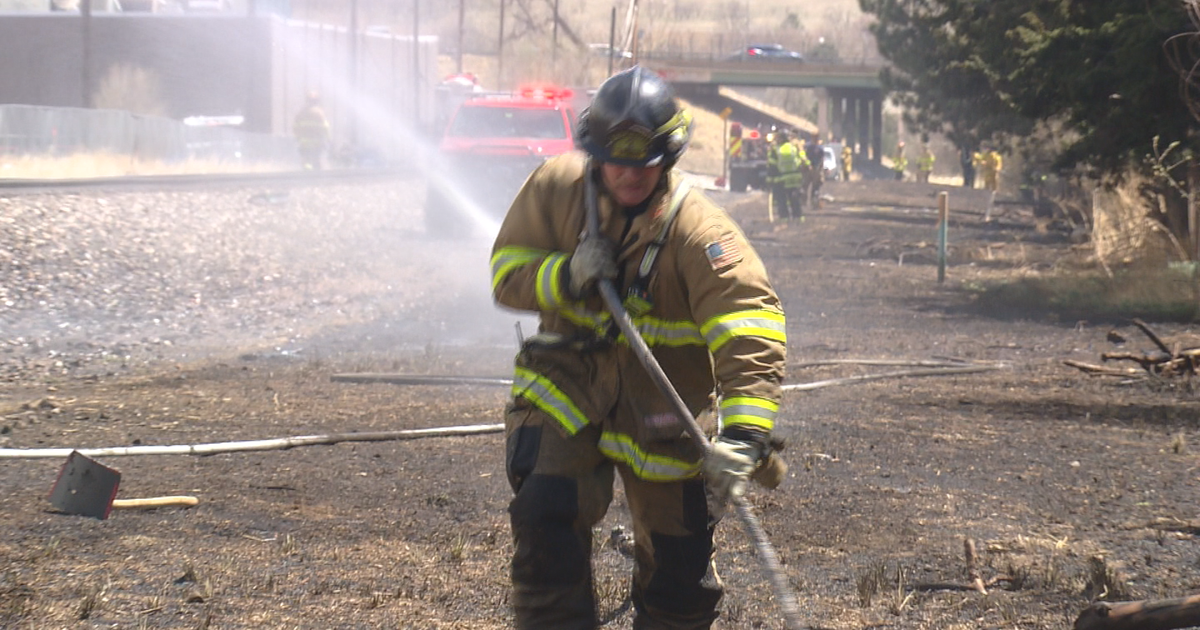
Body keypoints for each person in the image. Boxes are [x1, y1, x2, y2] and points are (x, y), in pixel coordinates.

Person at [490, 65, 787, 629]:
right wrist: (565, 274)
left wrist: (746, 436)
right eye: (615, 158)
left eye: (643, 162)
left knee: (680, 577)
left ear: (669, 157)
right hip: (563, 395)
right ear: (594, 151)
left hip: (663, 417)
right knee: (545, 524)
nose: (628, 173)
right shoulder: (556, 190)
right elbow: (506, 273)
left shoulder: (700, 235)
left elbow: (750, 328)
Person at [772, 127, 807, 222]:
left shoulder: (777, 149)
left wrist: (771, 179)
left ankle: (784, 217)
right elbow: (802, 159)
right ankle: (799, 217)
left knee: (782, 199)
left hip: (783, 178)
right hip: (795, 177)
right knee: (795, 198)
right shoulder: (793, 147)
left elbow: (773, 165)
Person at [293, 91, 331, 170]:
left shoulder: (301, 113)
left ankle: (307, 173)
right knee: (316, 161)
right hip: (317, 142)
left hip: (304, 142)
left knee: (306, 161)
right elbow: (325, 127)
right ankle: (316, 177)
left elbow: (295, 127)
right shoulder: (319, 113)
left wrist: (298, 137)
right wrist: (328, 138)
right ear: (317, 101)